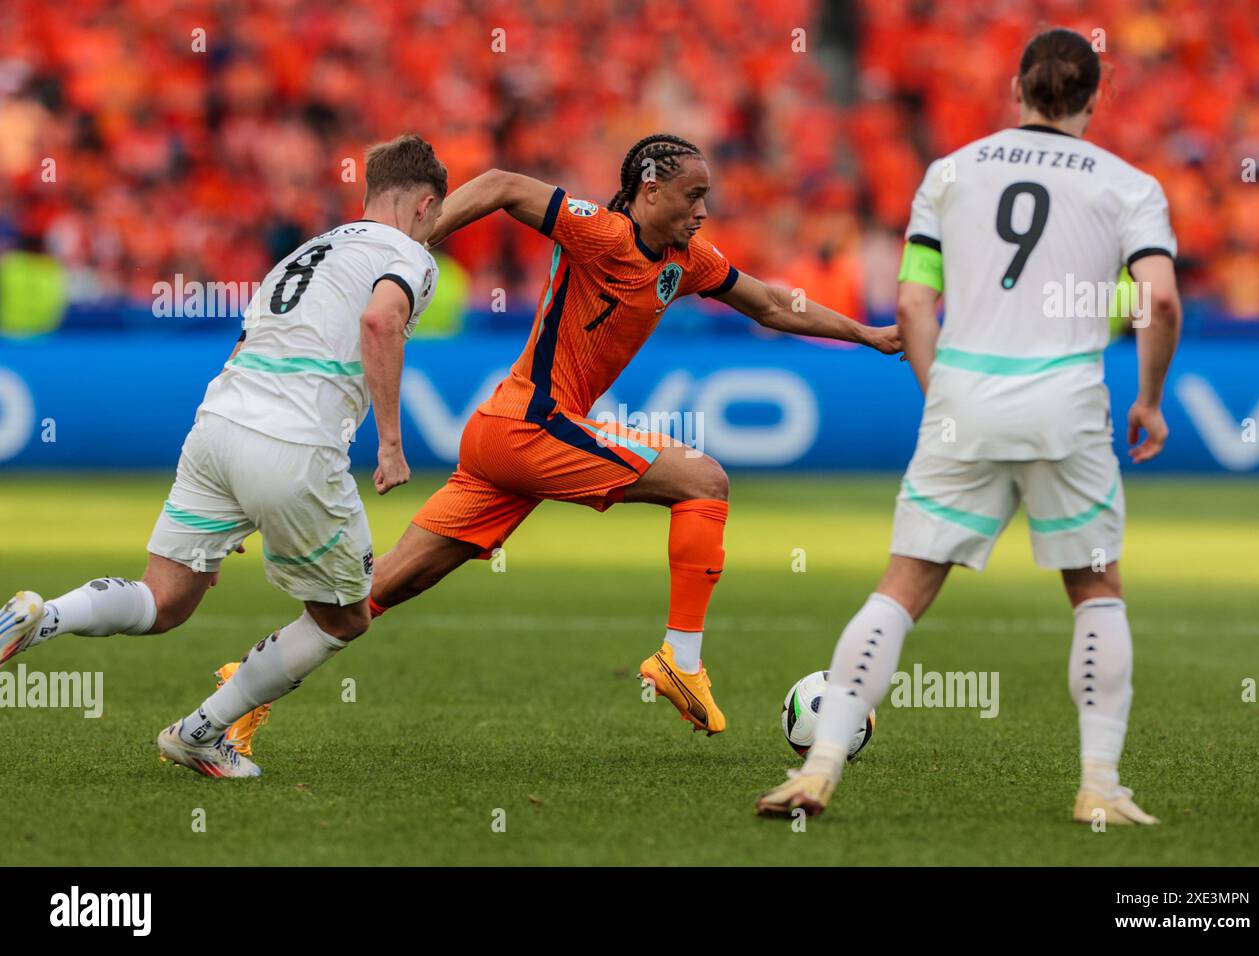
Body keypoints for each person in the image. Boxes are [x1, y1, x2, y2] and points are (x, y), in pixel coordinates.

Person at [756, 29, 1181, 824]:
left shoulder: (949, 174)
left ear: (1016, 87)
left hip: (966, 399)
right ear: (1098, 94)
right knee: (1095, 591)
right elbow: (1159, 301)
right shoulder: (1129, 185)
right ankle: (1100, 787)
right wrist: (1149, 400)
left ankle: (817, 771)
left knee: (902, 589)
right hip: (1067, 408)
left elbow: (915, 302)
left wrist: (941, 392)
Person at [368, 133, 902, 736]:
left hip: (515, 436)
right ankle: (682, 660)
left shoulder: (686, 259)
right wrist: (405, 247)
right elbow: (500, 184)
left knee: (389, 583)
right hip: (529, 425)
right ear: (649, 189)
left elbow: (773, 306)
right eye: (692, 195)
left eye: (707, 197)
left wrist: (869, 334)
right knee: (703, 480)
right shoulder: (602, 233)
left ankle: (244, 687)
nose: (703, 212)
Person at [0, 133, 447, 778]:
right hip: (294, 445)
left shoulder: (307, 251)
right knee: (344, 618)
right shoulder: (407, 253)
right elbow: (380, 321)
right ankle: (203, 730)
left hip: (218, 426)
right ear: (426, 205)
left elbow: (243, 349)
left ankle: (42, 616)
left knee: (164, 601)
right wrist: (391, 443)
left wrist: (239, 493)